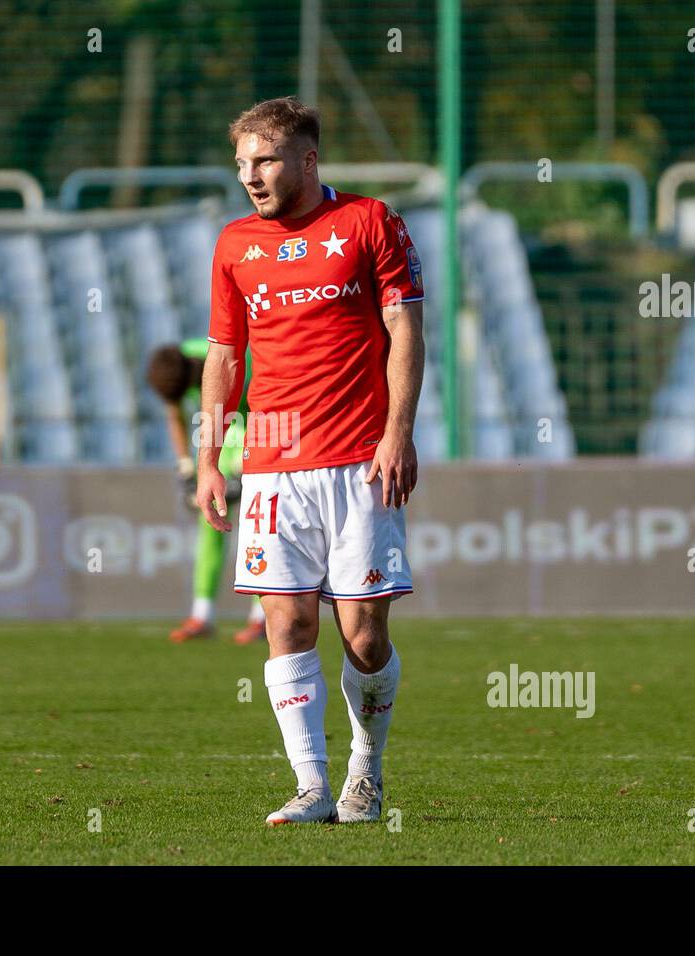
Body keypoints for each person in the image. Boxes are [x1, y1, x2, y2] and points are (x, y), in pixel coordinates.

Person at [195, 97, 425, 825]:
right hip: (271, 463)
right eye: (241, 164)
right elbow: (226, 356)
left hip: (360, 459)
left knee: (363, 635)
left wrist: (399, 431)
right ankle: (311, 784)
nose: (251, 177)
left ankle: (367, 770)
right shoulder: (235, 244)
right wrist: (210, 456)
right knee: (286, 625)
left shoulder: (368, 221)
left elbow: (405, 328)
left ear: (307, 159)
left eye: (264, 160)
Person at [146, 339, 266, 644]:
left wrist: (244, 464)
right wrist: (186, 465)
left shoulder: (236, 360)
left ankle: (261, 617)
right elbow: (175, 414)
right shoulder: (173, 370)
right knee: (209, 521)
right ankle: (202, 614)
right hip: (219, 435)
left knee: (258, 527)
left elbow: (264, 408)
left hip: (256, 425)